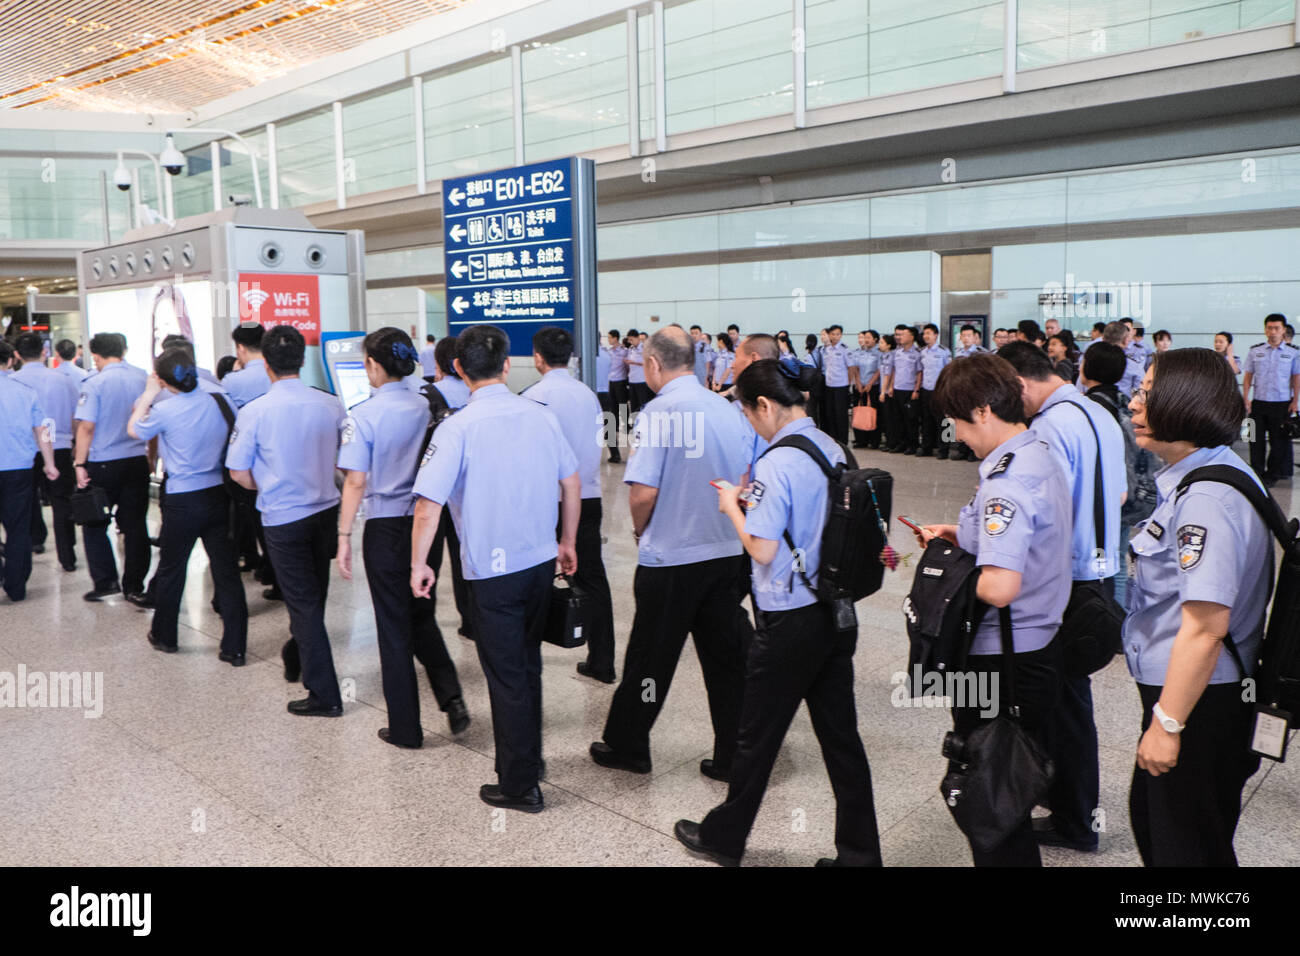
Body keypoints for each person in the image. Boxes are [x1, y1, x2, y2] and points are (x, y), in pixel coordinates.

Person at [674, 359, 883, 868]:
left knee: (755, 736)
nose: (749, 422)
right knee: (841, 740)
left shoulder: (775, 462)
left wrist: (732, 508)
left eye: (748, 413)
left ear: (764, 406)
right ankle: (860, 855)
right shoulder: (830, 446)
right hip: (833, 613)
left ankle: (723, 840)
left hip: (790, 618)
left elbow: (763, 550)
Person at [411, 324, 580, 813]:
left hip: (492, 573)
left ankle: (519, 784)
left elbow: (428, 506)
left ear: (459, 369)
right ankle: (530, 759)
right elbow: (570, 482)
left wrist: (420, 563)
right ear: (508, 365)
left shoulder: (457, 427)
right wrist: (567, 541)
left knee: (506, 675)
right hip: (538, 562)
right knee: (526, 666)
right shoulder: (540, 415)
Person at [912, 353, 1071, 866]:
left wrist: (944, 577)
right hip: (1036, 645)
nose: (956, 434)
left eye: (957, 422)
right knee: (1010, 789)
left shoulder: (1005, 482)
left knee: (991, 794)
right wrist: (960, 535)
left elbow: (1000, 587)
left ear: (982, 411)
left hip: (999, 659)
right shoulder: (1036, 453)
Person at [1125, 349, 1268, 865]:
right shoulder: (1210, 470)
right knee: (1179, 830)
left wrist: (1167, 725)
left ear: (1184, 403)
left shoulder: (1205, 500)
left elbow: (1206, 628)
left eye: (1145, 393)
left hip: (1198, 699)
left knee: (1182, 848)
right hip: (1200, 693)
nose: (1134, 404)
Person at [593, 325, 749, 781]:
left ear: (655, 364)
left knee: (650, 662)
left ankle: (628, 746)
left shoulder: (659, 413)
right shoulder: (726, 410)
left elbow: (643, 492)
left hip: (674, 559)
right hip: (726, 553)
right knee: (726, 663)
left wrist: (642, 532)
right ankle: (732, 756)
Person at [998, 341, 1126, 855]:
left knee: (1064, 706)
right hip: (1099, 574)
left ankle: (1076, 821)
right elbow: (1116, 495)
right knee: (1069, 699)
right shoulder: (1097, 412)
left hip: (1064, 581)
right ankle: (1069, 806)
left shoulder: (1049, 427)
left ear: (1020, 383)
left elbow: (1043, 513)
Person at [336, 328, 468, 745]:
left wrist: (343, 534)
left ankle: (406, 728)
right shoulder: (431, 404)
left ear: (374, 365)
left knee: (393, 628)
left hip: (387, 528)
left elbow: (355, 482)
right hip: (428, 525)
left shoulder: (363, 415)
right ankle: (450, 698)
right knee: (421, 616)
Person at [227, 325, 346, 717]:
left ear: (267, 365)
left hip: (283, 518)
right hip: (327, 510)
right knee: (314, 598)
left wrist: (270, 486)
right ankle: (298, 654)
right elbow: (344, 460)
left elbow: (238, 472)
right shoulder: (331, 404)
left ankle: (325, 694)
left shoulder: (255, 411)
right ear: (303, 359)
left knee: (303, 605)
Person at [125, 348, 248, 661]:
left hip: (182, 499)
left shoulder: (165, 410)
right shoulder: (219, 401)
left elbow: (133, 429)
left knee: (172, 568)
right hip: (218, 494)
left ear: (165, 382)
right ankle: (234, 647)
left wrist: (149, 393)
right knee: (226, 572)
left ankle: (165, 636)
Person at [522, 327, 617, 685]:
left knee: (534, 581)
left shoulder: (533, 397)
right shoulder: (588, 395)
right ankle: (602, 660)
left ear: (537, 357)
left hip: (548, 501)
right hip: (588, 497)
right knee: (593, 580)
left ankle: (529, 662)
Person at [74, 332, 151, 604]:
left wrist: (79, 463)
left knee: (94, 522)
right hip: (135, 460)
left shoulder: (94, 383)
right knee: (135, 525)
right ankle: (134, 585)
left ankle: (106, 581)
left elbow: (87, 426)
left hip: (103, 462)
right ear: (124, 350)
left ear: (95, 355)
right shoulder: (143, 377)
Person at [13, 333, 79, 572]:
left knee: (28, 500)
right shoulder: (62, 379)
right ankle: (67, 554)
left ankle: (35, 541)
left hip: (26, 449)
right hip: (60, 445)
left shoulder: (14, 381)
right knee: (63, 501)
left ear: (17, 355)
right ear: (44, 351)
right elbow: (75, 416)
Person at [223, 322, 275, 590]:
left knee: (255, 515)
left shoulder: (232, 381)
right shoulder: (274, 372)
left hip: (250, 461)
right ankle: (273, 570)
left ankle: (265, 563)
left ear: (240, 348)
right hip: (280, 455)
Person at [0, 371, 59, 601]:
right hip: (19, 468)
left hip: (17, 466)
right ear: (11, 360)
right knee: (18, 527)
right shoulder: (25, 391)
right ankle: (16, 586)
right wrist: (50, 463)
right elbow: (42, 430)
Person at [1241, 313, 1299, 488]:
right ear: (1265, 329)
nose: (1273, 332)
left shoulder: (1293, 353)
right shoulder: (1255, 351)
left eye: (1277, 328)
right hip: (1259, 402)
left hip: (1281, 404)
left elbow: (1296, 379)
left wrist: (1295, 401)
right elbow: (1248, 377)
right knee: (1254, 440)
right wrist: (1246, 398)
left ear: (1283, 331)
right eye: (1269, 328)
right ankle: (1257, 472)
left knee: (1278, 442)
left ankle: (1272, 474)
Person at [917, 323, 951, 458]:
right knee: (927, 420)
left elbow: (949, 372)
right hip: (926, 390)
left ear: (936, 335)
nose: (926, 336)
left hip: (941, 391)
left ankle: (944, 450)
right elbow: (920, 371)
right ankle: (927, 448)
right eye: (924, 334)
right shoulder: (922, 352)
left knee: (944, 421)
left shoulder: (944, 351)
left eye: (929, 333)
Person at [889, 324, 922, 454]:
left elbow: (920, 373)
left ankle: (912, 445)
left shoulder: (917, 353)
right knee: (898, 419)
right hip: (897, 388)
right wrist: (891, 387)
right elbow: (894, 370)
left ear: (912, 337)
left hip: (910, 390)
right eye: (899, 335)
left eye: (904, 335)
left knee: (911, 420)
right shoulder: (897, 352)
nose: (900, 337)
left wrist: (916, 390)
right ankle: (901, 443)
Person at [817, 324, 851, 444]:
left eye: (838, 334)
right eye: (833, 334)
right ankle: (833, 438)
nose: (835, 337)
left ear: (841, 335)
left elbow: (851, 368)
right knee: (830, 413)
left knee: (840, 414)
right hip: (829, 386)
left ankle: (843, 440)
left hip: (841, 386)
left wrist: (849, 384)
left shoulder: (844, 349)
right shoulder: (826, 350)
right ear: (829, 335)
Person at [849, 330, 881, 449]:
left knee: (872, 413)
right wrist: (857, 382)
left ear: (875, 340)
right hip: (859, 386)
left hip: (872, 387)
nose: (866, 340)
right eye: (865, 337)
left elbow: (879, 370)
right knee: (858, 411)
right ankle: (860, 440)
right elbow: (855, 368)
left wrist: (870, 384)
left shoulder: (879, 353)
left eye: (869, 337)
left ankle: (874, 440)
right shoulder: (858, 352)